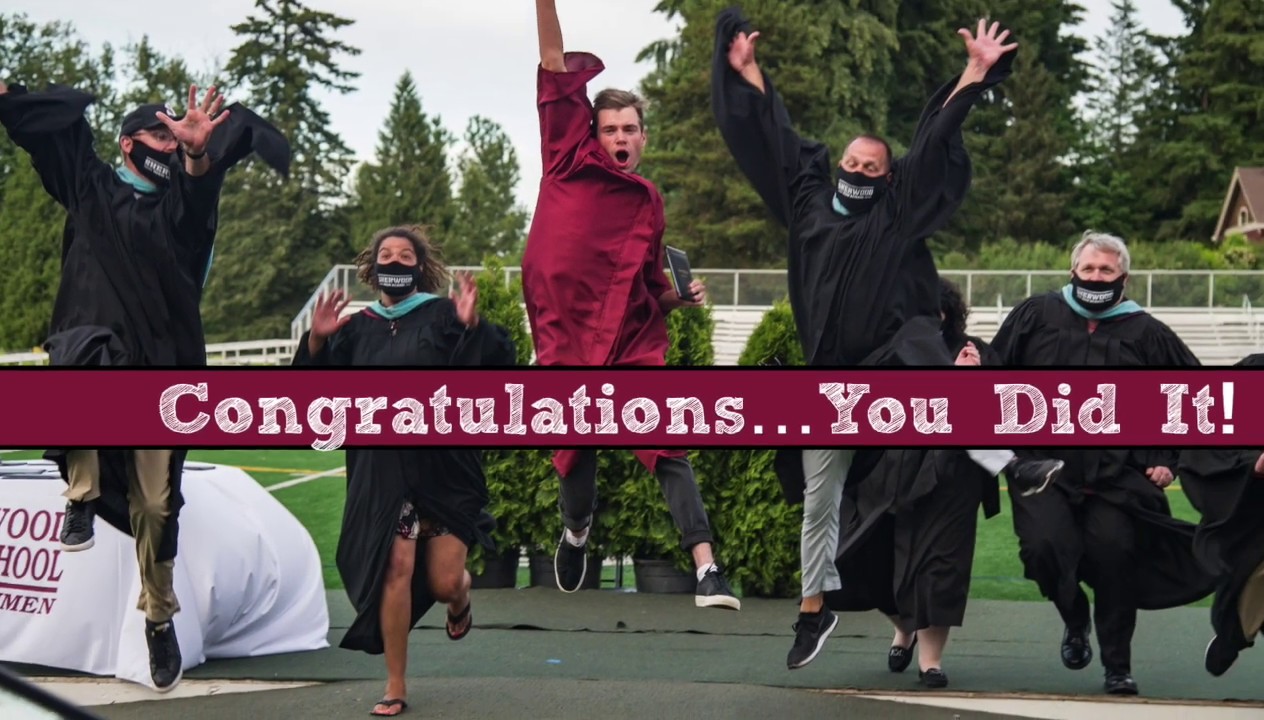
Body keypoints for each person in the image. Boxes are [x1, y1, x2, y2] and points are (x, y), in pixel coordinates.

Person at [710, 8, 1062, 670]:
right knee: (821, 500)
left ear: (885, 175)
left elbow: (932, 147)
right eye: (851, 160)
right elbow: (777, 141)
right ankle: (812, 611)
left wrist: (973, 73)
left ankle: (1013, 462)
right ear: (836, 163)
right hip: (829, 385)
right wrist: (752, 75)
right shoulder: (808, 205)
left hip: (888, 368)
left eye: (872, 165)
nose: (859, 169)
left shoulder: (894, 216)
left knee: (926, 358)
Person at [0, 79, 288, 692]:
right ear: (128, 144)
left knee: (157, 505)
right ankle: (80, 494)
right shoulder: (91, 188)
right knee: (80, 357)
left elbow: (198, 188)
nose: (166, 141)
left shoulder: (180, 210)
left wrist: (195, 154)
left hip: (160, 375)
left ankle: (159, 617)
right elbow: (51, 137)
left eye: (171, 134)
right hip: (93, 356)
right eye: (156, 133)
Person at [522, 0, 739, 611]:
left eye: (629, 130)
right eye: (610, 128)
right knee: (576, 453)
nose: (619, 137)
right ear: (593, 133)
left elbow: (647, 287)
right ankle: (576, 531)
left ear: (643, 138)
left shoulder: (649, 201)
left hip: (629, 339)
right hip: (567, 336)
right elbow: (553, 60)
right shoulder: (566, 155)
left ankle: (707, 569)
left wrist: (679, 297)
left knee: (666, 442)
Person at [295, 226, 516, 717]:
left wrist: (473, 327)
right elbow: (308, 399)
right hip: (383, 470)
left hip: (444, 467)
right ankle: (395, 685)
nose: (396, 261)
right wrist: (315, 342)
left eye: (406, 254)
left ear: (419, 266)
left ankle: (460, 601)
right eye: (386, 255)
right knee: (395, 568)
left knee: (442, 582)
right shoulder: (355, 330)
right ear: (373, 269)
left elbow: (496, 368)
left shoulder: (441, 315)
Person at [990, 230, 1217, 695]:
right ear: (1072, 272)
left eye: (1106, 270)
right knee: (1043, 549)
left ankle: (1118, 665)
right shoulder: (1036, 314)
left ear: (1124, 279)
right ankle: (1075, 618)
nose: (1097, 277)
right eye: (1089, 269)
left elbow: (1196, 399)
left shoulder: (1147, 333)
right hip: (1043, 469)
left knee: (1115, 557)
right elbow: (993, 378)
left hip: (1118, 476)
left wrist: (1168, 459)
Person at [820, 279, 1007, 689]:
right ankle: (904, 624)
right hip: (890, 474)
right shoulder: (891, 351)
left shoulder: (974, 351)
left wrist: (967, 380)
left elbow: (998, 410)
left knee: (942, 567)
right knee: (862, 559)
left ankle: (930, 661)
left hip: (953, 478)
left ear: (945, 313)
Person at [1178, 350, 1264, 677]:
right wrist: (1257, 466)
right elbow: (1208, 444)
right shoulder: (1258, 373)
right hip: (1260, 520)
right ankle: (1235, 628)